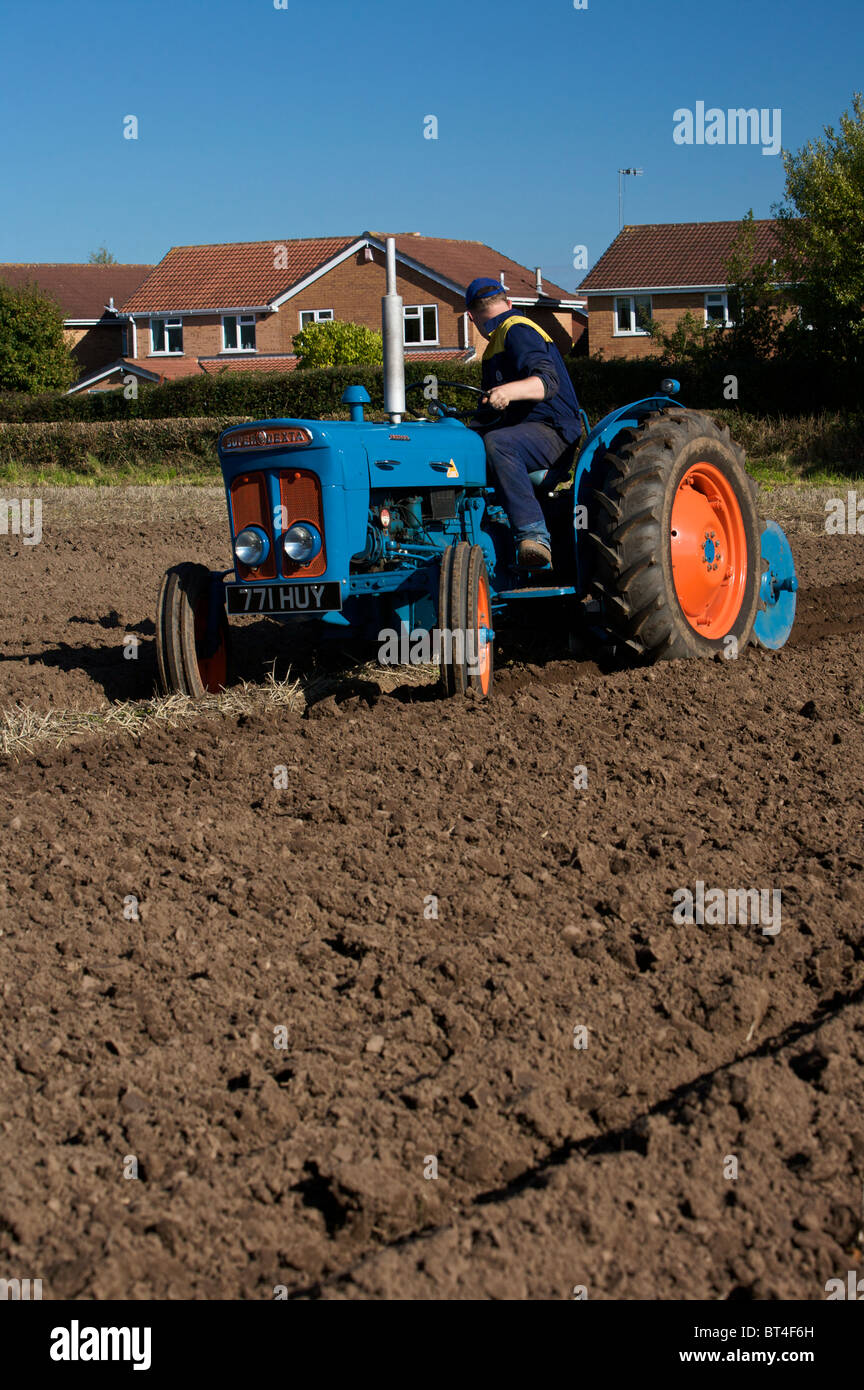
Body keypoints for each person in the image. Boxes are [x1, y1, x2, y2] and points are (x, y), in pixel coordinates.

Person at [465, 277, 583, 569]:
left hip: (553, 432)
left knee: (499, 443)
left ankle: (534, 535)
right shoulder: (497, 343)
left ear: (470, 316)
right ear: (508, 301)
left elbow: (546, 383)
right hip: (529, 432)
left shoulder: (516, 328)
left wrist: (507, 391)